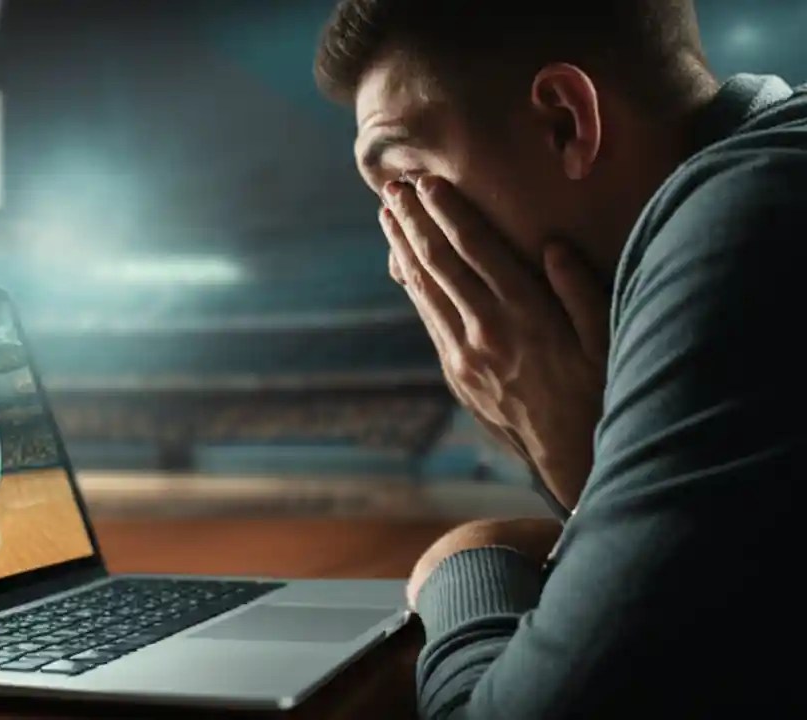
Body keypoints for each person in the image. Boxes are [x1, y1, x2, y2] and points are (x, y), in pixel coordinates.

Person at [314, 1, 805, 717]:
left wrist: (467, 564)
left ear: (564, 123)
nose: (404, 263)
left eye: (405, 179)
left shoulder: (743, 229)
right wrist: (588, 466)